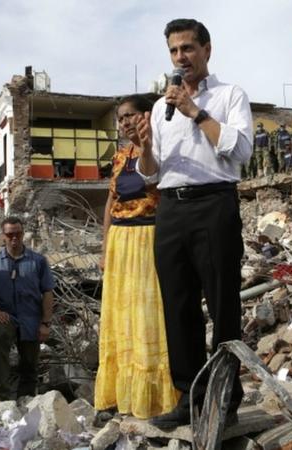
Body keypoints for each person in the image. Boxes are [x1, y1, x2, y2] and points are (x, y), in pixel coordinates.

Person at [136, 18, 252, 430]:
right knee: (178, 304)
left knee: (223, 304)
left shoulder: (229, 95)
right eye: (173, 51)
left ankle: (225, 398)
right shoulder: (157, 108)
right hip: (170, 209)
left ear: (206, 49)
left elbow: (240, 150)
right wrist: (145, 149)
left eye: (187, 48)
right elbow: (150, 174)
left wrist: (195, 112)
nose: (180, 58)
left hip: (214, 205)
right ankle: (188, 394)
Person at [93, 95, 179, 419]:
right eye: (120, 118)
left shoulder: (158, 150)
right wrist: (105, 248)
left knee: (147, 315)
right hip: (120, 240)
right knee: (119, 315)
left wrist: (148, 144)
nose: (125, 122)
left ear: (145, 115)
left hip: (147, 239)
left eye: (130, 116)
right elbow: (110, 202)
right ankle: (118, 393)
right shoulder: (118, 156)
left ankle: (154, 396)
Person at [0, 216, 54, 400]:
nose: (14, 238)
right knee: (0, 349)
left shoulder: (38, 261)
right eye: (10, 234)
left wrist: (45, 323)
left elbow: (48, 292)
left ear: (23, 233)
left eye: (18, 233)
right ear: (3, 236)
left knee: (29, 363)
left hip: (31, 319)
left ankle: (26, 399)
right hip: (5, 317)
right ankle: (1, 397)